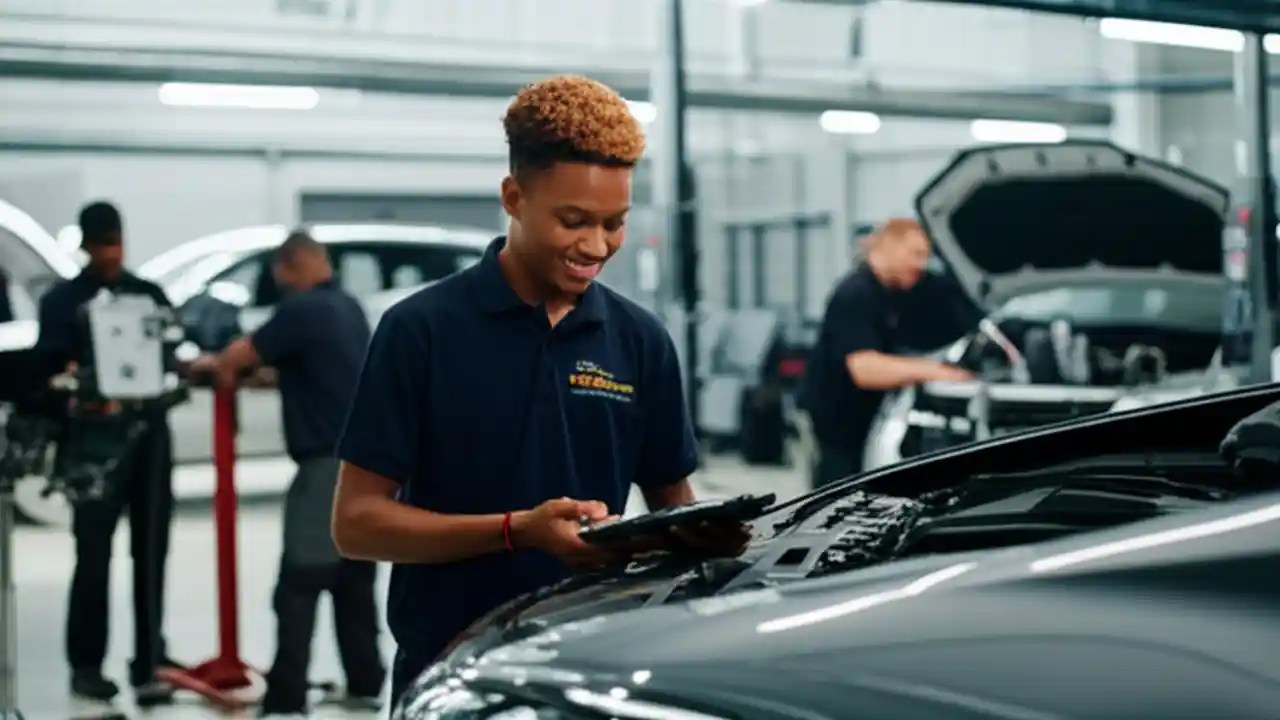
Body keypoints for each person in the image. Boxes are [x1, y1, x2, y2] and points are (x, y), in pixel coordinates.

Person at [330, 74, 748, 707]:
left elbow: (671, 510)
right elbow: (357, 525)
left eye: (615, 223)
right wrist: (517, 530)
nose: (596, 246)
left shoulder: (638, 340)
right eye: (573, 221)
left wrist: (694, 537)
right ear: (513, 196)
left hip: (595, 671)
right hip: (453, 677)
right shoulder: (421, 330)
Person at [194, 230, 386, 716]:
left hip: (323, 469)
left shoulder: (300, 310)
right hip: (364, 468)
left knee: (298, 586)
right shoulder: (346, 306)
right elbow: (312, 369)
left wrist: (206, 364)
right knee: (352, 581)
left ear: (290, 266)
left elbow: (236, 358)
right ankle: (366, 683)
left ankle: (286, 699)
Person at [33, 201, 180, 705]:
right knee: (92, 556)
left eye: (117, 243)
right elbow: (47, 371)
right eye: (102, 245)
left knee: (152, 552)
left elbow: (170, 357)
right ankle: (86, 665)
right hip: (93, 444)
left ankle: (149, 661)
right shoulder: (61, 303)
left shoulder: (147, 296)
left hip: (149, 440)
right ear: (87, 245)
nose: (111, 253)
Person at [801, 218, 973, 488]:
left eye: (925, 256)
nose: (921, 264)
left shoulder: (897, 292)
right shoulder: (855, 293)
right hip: (838, 425)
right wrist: (937, 372)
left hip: (863, 421)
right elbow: (865, 369)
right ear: (888, 247)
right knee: (837, 498)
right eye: (915, 254)